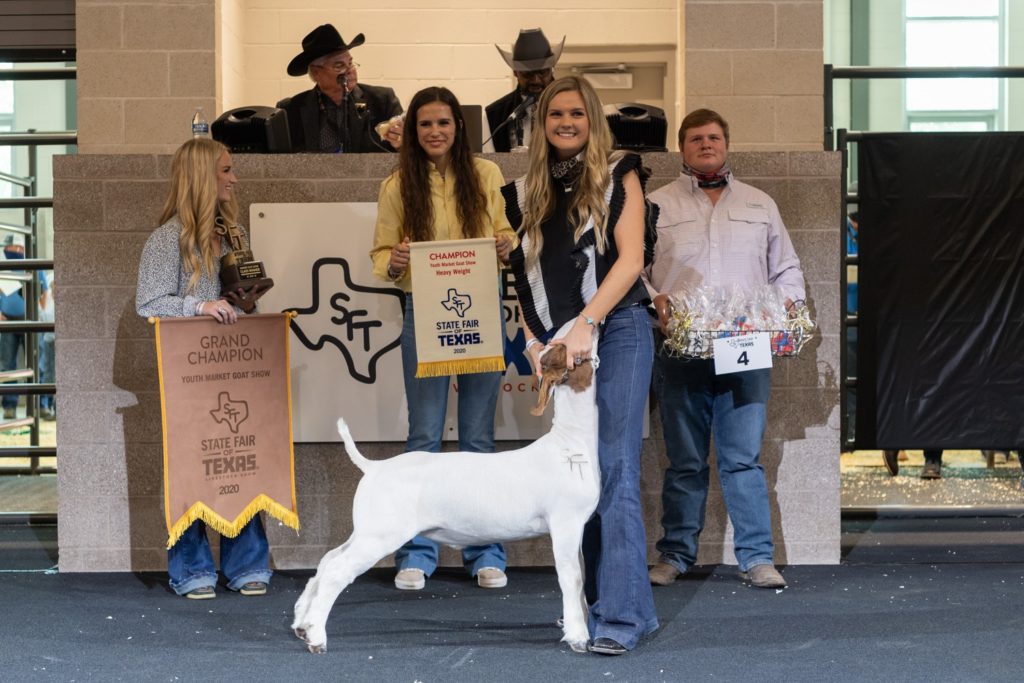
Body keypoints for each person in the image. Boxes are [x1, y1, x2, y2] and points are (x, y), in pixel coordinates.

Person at [503, 76, 658, 655]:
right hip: (560, 342)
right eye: (554, 115)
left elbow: (632, 259)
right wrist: (532, 341)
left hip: (616, 329)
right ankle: (625, 607)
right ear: (540, 125)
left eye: (576, 113)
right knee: (582, 471)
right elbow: (520, 278)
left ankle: (617, 618)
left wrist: (588, 324)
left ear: (592, 118)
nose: (566, 123)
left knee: (614, 466)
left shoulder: (620, 174)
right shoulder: (521, 193)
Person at [645, 108, 805, 590]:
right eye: (695, 139)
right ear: (681, 148)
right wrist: (657, 303)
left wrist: (786, 309)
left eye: (714, 137)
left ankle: (757, 557)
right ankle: (674, 555)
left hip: (746, 347)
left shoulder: (760, 203)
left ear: (727, 144)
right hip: (679, 350)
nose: (706, 145)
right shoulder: (656, 205)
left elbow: (788, 269)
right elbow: (634, 269)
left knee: (743, 458)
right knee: (685, 461)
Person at [370, 86, 516, 592]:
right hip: (422, 314)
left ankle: (484, 552)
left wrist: (505, 243)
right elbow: (380, 253)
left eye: (444, 123)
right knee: (423, 440)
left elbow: (509, 234)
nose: (435, 132)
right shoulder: (396, 185)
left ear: (459, 127)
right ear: (412, 130)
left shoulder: (489, 175)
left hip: (481, 314)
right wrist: (396, 260)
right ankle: (416, 551)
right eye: (426, 124)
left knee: (478, 441)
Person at [136, 137, 271, 600]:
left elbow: (239, 298)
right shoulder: (165, 240)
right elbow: (149, 303)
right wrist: (202, 305)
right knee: (194, 467)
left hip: (232, 367)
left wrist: (245, 301)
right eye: (226, 171)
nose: (234, 178)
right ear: (202, 178)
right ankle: (192, 569)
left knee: (241, 459)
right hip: (188, 374)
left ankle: (247, 563)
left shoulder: (233, 234)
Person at [277, 24, 403, 153]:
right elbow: (277, 161)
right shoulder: (291, 110)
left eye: (350, 63)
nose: (350, 71)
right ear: (316, 72)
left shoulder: (381, 100)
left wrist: (400, 143)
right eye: (339, 65)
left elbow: (408, 150)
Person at [484, 28, 562, 153]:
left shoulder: (571, 106)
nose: (536, 80)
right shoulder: (495, 115)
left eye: (542, 73)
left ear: (551, 70)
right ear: (515, 73)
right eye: (528, 74)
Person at [0, 237, 26, 421]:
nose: (12, 249)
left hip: (30, 321)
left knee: (37, 363)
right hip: (7, 320)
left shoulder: (29, 262)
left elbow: (44, 289)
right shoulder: (3, 266)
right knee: (8, 364)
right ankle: (10, 406)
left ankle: (42, 404)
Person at [38, 271, 55, 421]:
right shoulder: (48, 299)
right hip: (50, 339)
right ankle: (48, 405)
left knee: (50, 372)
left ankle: (52, 406)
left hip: (51, 338)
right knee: (49, 373)